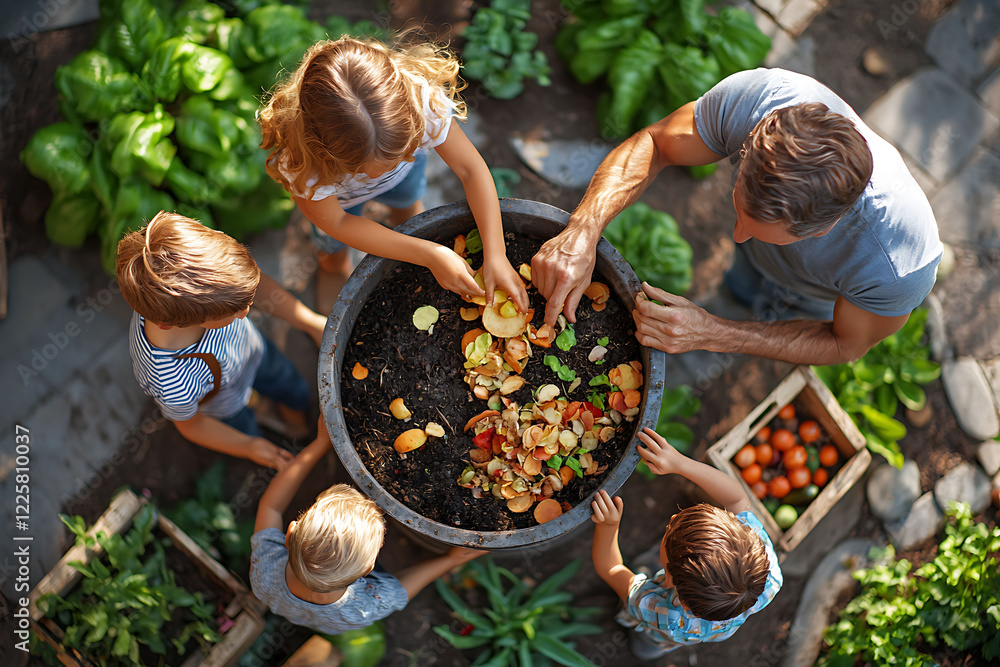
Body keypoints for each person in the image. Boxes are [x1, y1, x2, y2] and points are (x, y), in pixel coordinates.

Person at [532, 68, 942, 366]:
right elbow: (656, 143)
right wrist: (582, 231)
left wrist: (714, 334)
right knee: (742, 276)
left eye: (761, 230)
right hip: (787, 258)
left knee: (773, 310)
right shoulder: (762, 100)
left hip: (813, 292)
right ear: (748, 149)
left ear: (826, 228)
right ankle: (734, 294)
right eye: (739, 209)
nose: (736, 234)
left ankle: (726, 329)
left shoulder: (895, 268)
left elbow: (844, 344)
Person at [259, 36, 527, 314]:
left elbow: (471, 170)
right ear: (325, 152)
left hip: (404, 180)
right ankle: (334, 267)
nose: (394, 164)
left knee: (408, 203)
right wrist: (429, 254)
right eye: (365, 169)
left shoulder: (424, 103)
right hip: (344, 201)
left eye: (406, 151)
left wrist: (496, 251)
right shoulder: (305, 164)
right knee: (333, 245)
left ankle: (408, 229)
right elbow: (338, 222)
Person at [117, 211, 328, 471]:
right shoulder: (170, 381)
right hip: (226, 405)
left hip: (254, 351)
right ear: (172, 323)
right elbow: (193, 425)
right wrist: (247, 446)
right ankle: (265, 420)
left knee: (294, 390)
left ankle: (297, 428)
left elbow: (258, 289)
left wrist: (310, 322)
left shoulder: (204, 291)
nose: (246, 312)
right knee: (248, 430)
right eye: (233, 312)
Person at [251, 419, 484, 633]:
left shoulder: (265, 569)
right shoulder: (363, 607)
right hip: (337, 618)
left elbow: (271, 508)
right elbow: (401, 589)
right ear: (368, 570)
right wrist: (450, 560)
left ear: (290, 535)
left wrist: (320, 443)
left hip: (303, 612)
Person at [591, 429, 782, 660]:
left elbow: (610, 569)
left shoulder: (653, 608)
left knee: (648, 642)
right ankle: (649, 649)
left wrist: (608, 527)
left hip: (660, 631)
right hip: (708, 630)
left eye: (668, 531)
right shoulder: (768, 571)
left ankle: (644, 648)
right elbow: (738, 500)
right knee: (662, 643)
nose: (671, 519)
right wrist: (680, 463)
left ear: (670, 578)